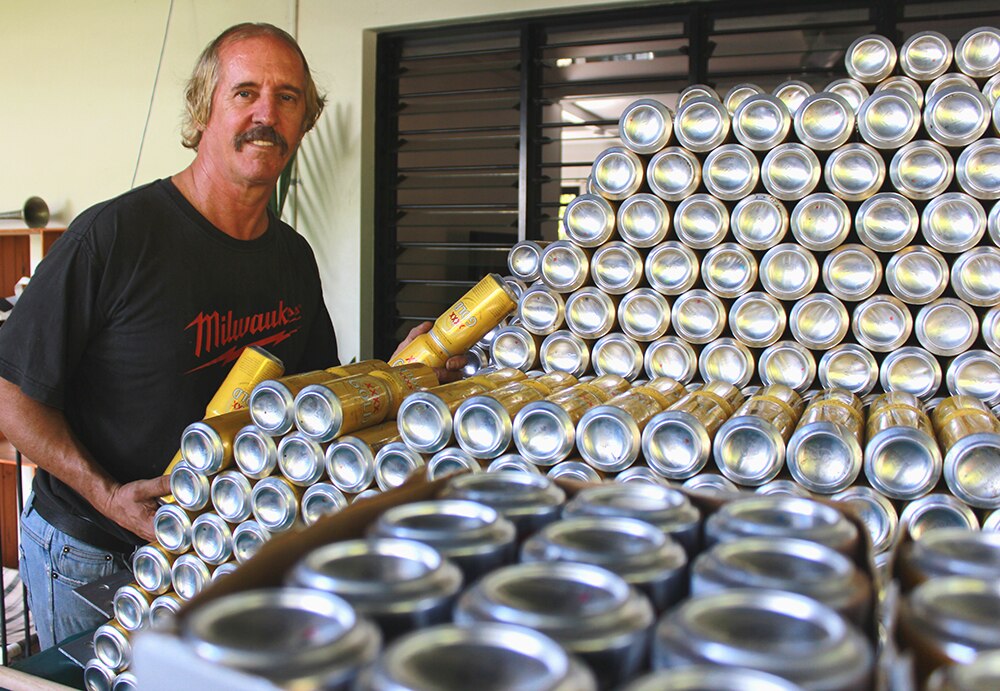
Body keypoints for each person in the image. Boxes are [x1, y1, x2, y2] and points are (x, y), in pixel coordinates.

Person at [0, 22, 461, 650]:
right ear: (204, 110)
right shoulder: (114, 237)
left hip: (214, 544)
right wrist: (108, 496)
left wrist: (402, 370)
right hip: (94, 545)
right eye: (245, 93)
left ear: (304, 122)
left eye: (288, 97)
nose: (266, 114)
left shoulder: (292, 257)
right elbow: (11, 395)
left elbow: (306, 397)